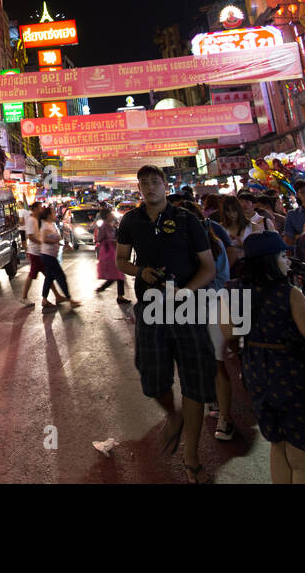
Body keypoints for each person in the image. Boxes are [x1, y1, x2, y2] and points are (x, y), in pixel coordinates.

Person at [115, 166, 217, 484]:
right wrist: (139, 270)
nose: (149, 187)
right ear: (139, 187)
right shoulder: (131, 220)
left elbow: (209, 268)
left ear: (165, 184)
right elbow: (121, 260)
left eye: (154, 182)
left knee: (195, 382)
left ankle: (192, 458)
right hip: (151, 308)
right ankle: (173, 415)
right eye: (143, 182)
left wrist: (185, 293)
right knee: (153, 379)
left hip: (187, 308)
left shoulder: (187, 219)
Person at [223, 232, 305, 483]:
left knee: (278, 444)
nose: (288, 261)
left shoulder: (232, 290)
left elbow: (228, 333)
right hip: (292, 372)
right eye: (283, 256)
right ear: (269, 261)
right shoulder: (290, 294)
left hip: (256, 371)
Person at [173, 198, 235, 441]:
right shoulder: (177, 247)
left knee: (218, 363)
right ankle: (213, 401)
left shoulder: (214, 244)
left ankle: (225, 418)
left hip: (214, 307)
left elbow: (221, 279)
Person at [36, 207, 80, 310]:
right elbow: (44, 239)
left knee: (49, 278)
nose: (55, 214)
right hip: (47, 255)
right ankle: (70, 300)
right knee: (61, 277)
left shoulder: (52, 224)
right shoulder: (45, 225)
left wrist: (62, 243)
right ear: (48, 215)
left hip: (50, 255)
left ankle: (44, 299)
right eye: (53, 213)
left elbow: (56, 237)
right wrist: (56, 241)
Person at [94, 207, 126, 302]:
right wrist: (112, 241)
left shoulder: (110, 225)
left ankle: (103, 289)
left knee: (117, 274)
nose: (112, 215)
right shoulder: (104, 226)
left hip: (112, 251)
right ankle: (120, 296)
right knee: (118, 273)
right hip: (109, 252)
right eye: (110, 214)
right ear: (107, 216)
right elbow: (99, 238)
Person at [217, 195, 256, 267]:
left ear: (239, 210)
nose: (231, 214)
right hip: (228, 266)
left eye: (234, 211)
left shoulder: (252, 226)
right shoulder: (220, 228)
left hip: (249, 266)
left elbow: (258, 249)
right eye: (228, 211)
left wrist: (242, 245)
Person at [19, 202, 46, 306]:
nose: (41, 210)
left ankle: (56, 295)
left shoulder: (36, 220)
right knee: (32, 274)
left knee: (46, 274)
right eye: (39, 208)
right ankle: (24, 297)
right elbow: (30, 236)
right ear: (34, 209)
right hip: (34, 252)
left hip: (38, 251)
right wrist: (41, 243)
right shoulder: (31, 220)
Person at [282, 179, 305, 251]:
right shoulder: (292, 214)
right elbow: (288, 240)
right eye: (303, 193)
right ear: (297, 194)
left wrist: (298, 236)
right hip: (304, 252)